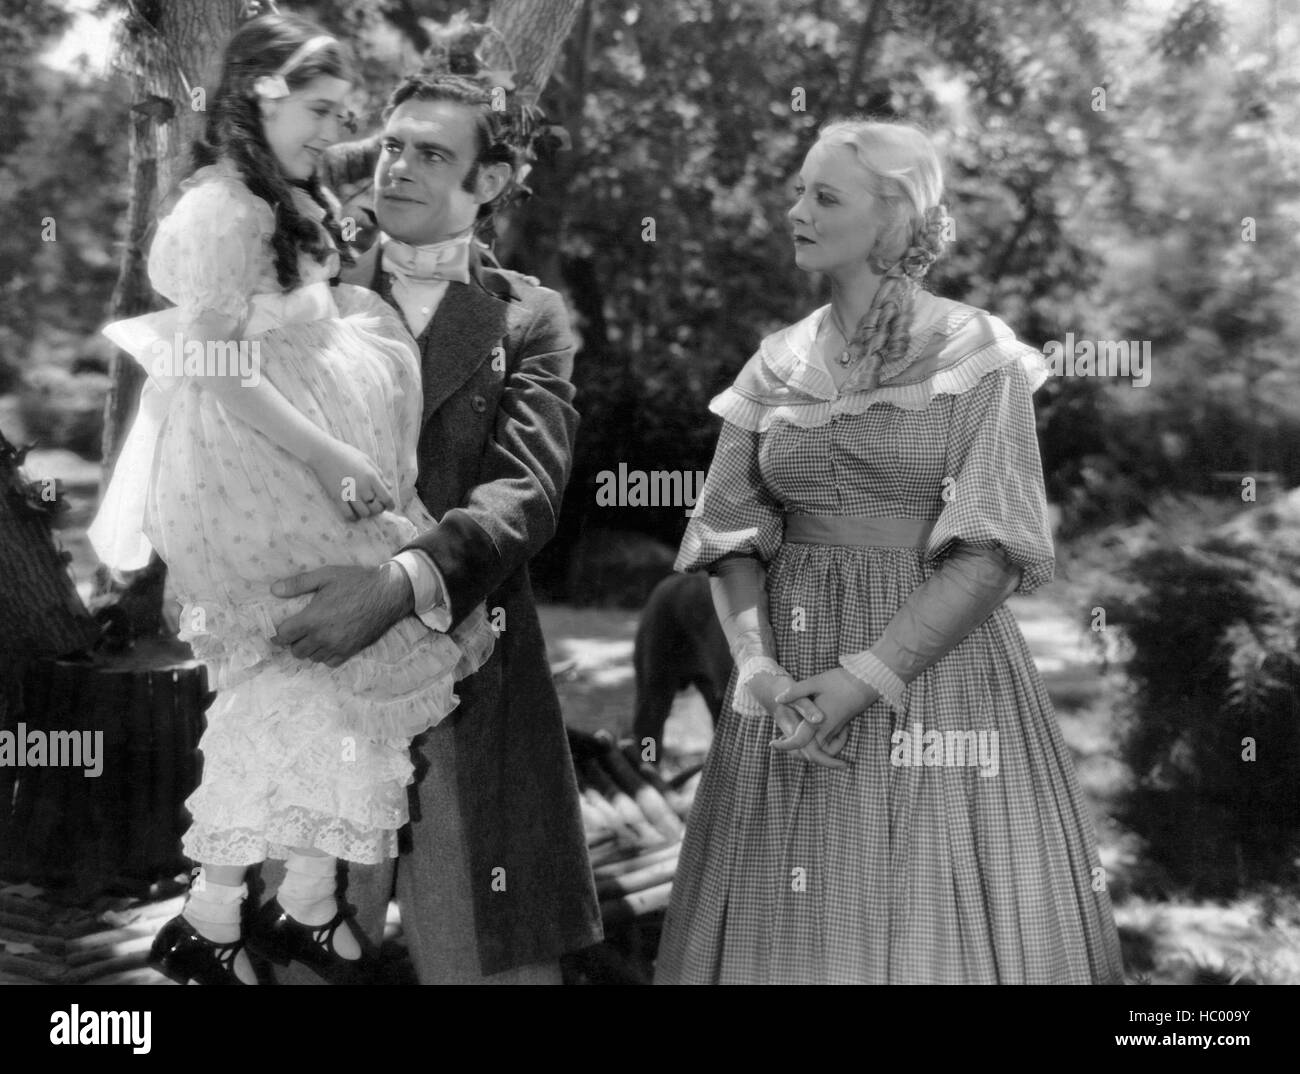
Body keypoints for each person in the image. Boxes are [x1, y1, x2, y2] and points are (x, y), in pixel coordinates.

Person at [654, 118, 1124, 984]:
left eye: (822, 196)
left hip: (934, 675)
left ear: (894, 221)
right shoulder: (774, 365)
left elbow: (992, 547)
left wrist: (870, 675)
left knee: (923, 926)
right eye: (798, 190)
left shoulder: (976, 354)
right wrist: (757, 670)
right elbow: (730, 532)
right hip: (786, 677)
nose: (794, 210)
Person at [89, 12, 495, 985]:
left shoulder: (286, 193)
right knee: (286, 670)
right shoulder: (222, 210)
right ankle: (211, 914)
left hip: (291, 451)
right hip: (254, 468)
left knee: (337, 678)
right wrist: (328, 457)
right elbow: (220, 365)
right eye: (318, 110)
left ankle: (303, 900)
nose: (332, 129)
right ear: (263, 100)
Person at [259, 66, 604, 984]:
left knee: (491, 963)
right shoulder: (306, 290)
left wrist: (399, 586)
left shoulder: (530, 316)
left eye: (433, 154)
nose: (398, 169)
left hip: (474, 669)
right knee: (297, 956)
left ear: (489, 181)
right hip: (317, 665)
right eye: (392, 146)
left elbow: (525, 492)